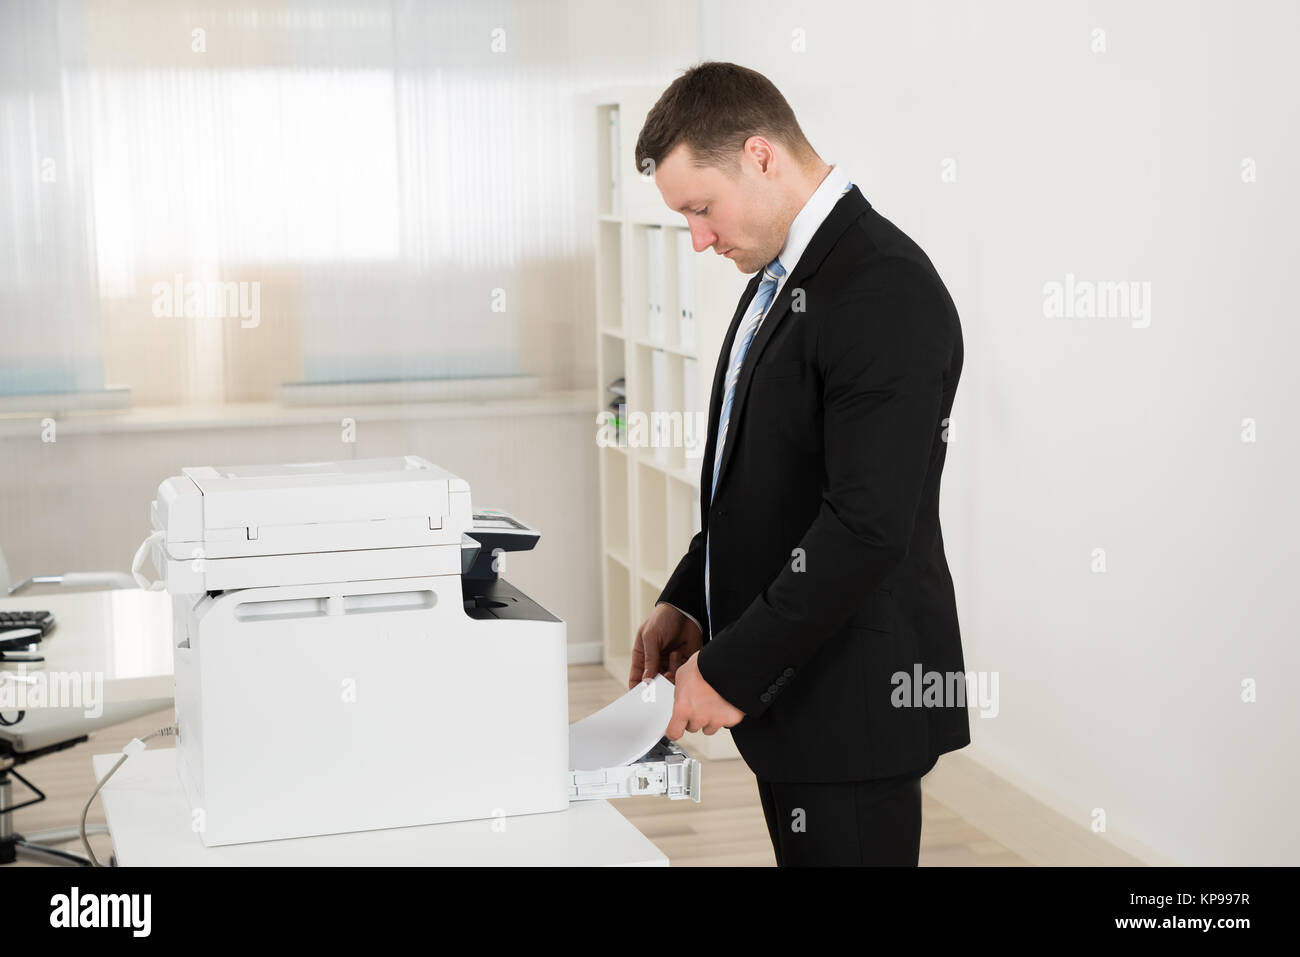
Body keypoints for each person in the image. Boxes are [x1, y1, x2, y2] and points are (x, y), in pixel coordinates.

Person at [628, 61, 970, 866]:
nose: (699, 238)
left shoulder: (882, 286)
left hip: (852, 702)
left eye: (700, 209)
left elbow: (865, 524)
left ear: (760, 155)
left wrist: (731, 669)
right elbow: (761, 483)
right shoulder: (782, 275)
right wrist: (692, 599)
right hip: (797, 696)